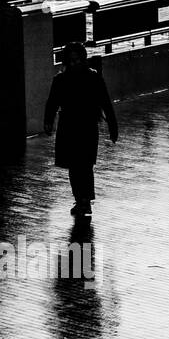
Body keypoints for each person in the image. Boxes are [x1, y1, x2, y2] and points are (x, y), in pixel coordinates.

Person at [43, 42, 118, 218]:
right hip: (83, 125)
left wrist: (48, 121)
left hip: (75, 126)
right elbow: (52, 102)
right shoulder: (92, 78)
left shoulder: (62, 80)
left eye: (76, 60)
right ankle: (83, 200)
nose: (74, 64)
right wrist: (112, 126)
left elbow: (52, 103)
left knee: (79, 166)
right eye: (71, 61)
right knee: (81, 166)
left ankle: (82, 200)